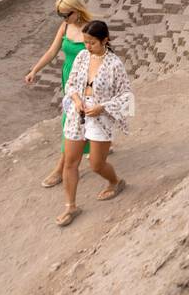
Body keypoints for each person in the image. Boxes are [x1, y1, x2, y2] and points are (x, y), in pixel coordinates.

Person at [56, 20, 134, 227]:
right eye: (86, 42)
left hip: (101, 115)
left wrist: (102, 107)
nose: (87, 47)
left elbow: (127, 96)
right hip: (78, 113)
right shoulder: (82, 57)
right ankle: (70, 206)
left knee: (96, 165)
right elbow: (71, 83)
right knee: (71, 162)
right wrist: (76, 100)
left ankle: (115, 182)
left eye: (92, 43)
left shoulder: (115, 64)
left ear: (105, 40)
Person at [25, 0, 93, 187]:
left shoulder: (92, 29)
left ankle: (62, 168)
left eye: (66, 14)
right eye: (60, 15)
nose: (63, 18)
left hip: (85, 82)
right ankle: (98, 145)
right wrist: (35, 70)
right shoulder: (65, 26)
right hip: (68, 79)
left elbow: (102, 55)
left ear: (77, 10)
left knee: (69, 123)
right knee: (79, 120)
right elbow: (52, 50)